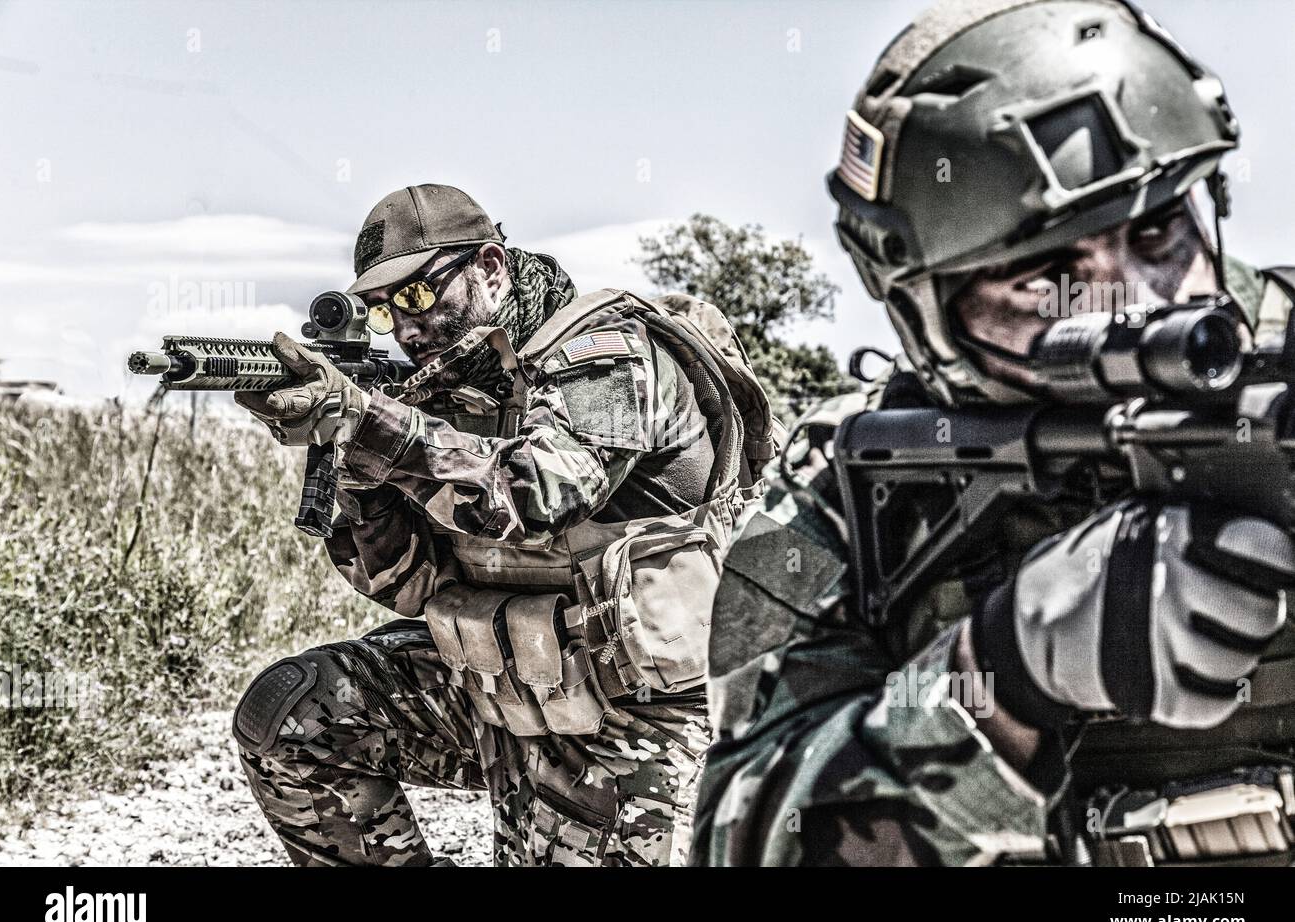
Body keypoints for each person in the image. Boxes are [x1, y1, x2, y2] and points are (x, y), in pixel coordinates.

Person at [691, 0, 1295, 866]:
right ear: (924, 308)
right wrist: (1007, 676)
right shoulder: (843, 494)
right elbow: (746, 844)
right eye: (1050, 273)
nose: (1138, 301)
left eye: (1160, 229)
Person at [231, 183, 774, 866]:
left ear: (490, 267)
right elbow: (406, 585)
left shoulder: (610, 356)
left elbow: (536, 495)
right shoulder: (440, 392)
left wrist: (375, 425)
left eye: (421, 296)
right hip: (502, 685)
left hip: (630, 715)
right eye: (383, 311)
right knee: (291, 715)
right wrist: (365, 477)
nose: (404, 327)